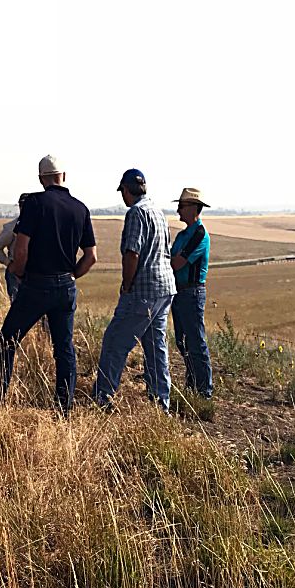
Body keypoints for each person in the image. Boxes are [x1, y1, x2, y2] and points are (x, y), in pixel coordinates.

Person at [0, 155, 95, 413]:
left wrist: (19, 273)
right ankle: (63, 408)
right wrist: (71, 277)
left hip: (36, 284)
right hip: (65, 287)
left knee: (6, 341)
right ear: (64, 176)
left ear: (41, 179)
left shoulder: (35, 203)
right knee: (64, 349)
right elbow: (91, 257)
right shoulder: (80, 208)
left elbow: (22, 249)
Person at [93, 168, 177, 412]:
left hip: (143, 289)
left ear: (127, 190)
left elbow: (132, 253)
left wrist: (127, 285)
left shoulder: (136, 213)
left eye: (123, 192)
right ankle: (161, 402)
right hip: (165, 288)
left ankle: (103, 398)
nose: (123, 197)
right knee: (155, 346)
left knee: (114, 341)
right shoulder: (158, 213)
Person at [169, 187, 214, 399]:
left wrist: (170, 261)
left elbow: (177, 263)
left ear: (194, 208)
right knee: (182, 341)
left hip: (192, 292)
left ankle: (204, 391)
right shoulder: (183, 234)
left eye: (182, 206)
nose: (178, 210)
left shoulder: (199, 234)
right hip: (180, 292)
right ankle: (193, 383)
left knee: (196, 342)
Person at [0, 191, 39, 300]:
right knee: (18, 306)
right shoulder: (12, 227)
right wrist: (8, 263)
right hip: (16, 272)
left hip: (36, 272)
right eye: (22, 205)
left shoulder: (40, 226)